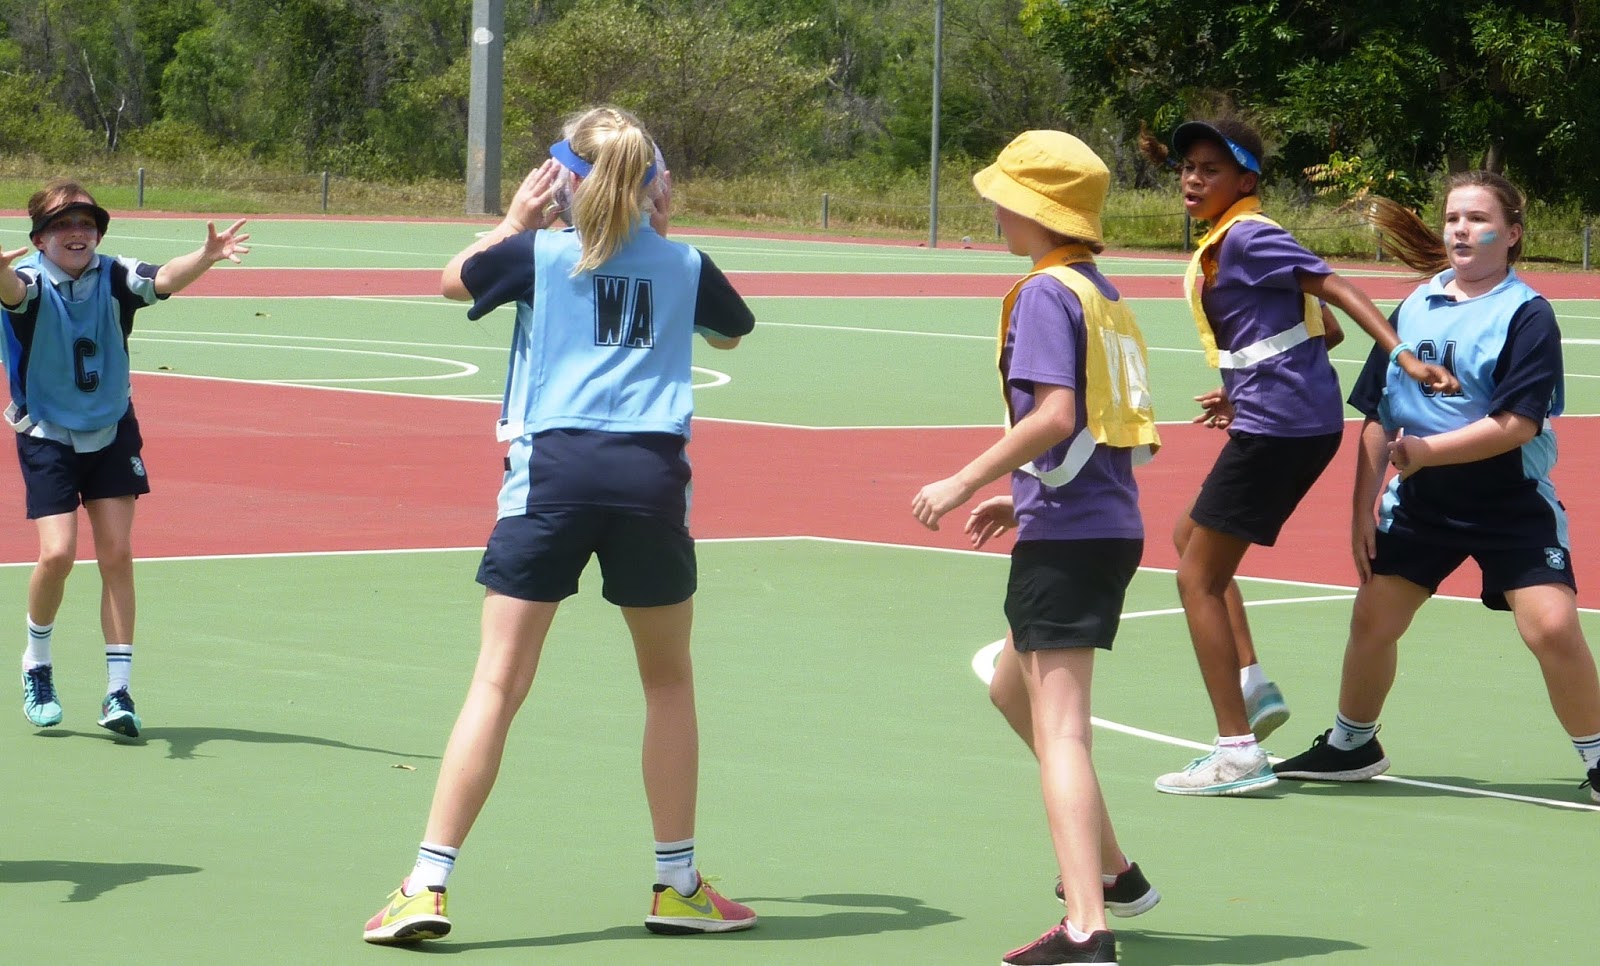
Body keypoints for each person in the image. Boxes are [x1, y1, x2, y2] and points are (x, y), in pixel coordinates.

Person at [362, 105, 758, 946]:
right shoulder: (686, 263)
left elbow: (450, 279)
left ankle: (427, 882)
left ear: (564, 181)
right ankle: (676, 881)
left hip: (553, 475)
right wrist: (665, 229)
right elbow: (730, 335)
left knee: (498, 683)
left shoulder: (538, 255)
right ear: (654, 183)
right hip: (650, 479)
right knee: (668, 682)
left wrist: (511, 218)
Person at [1140, 119, 1459, 797]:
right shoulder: (1232, 241)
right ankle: (1251, 686)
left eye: (1210, 169)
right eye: (1187, 168)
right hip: (1283, 418)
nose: (1192, 179)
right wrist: (1244, 385)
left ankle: (1236, 752)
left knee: (1194, 579)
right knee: (1187, 537)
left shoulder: (1251, 235)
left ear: (1246, 180)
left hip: (1280, 429)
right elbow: (1325, 327)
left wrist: (1402, 355)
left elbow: (1338, 293)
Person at [913, 130, 1161, 966]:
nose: (991, 205)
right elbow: (1096, 431)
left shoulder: (1045, 295)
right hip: (1092, 521)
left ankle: (1088, 928)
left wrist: (957, 482)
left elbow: (1056, 416)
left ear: (1033, 208)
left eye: (1002, 193)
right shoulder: (1099, 290)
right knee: (1010, 691)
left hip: (1075, 537)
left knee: (1062, 735)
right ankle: (1117, 872)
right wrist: (1020, 501)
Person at [1273, 173, 1600, 804]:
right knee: (1373, 616)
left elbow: (1516, 424)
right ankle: (1352, 744)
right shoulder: (1415, 307)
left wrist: (1425, 452)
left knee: (1553, 628)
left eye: (1478, 218)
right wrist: (1362, 506)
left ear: (1512, 235)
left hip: (1509, 500)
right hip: (1422, 503)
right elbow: (1376, 412)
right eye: (1452, 217)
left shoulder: (1527, 314)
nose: (1460, 228)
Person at [1, 178, 249, 739]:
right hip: (47, 432)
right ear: (40, 238)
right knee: (59, 554)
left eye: (86, 223)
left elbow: (162, 280)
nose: (77, 232)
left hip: (111, 429)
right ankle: (36, 662)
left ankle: (119, 691)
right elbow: (10, 292)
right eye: (63, 224)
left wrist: (206, 257)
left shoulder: (114, 275)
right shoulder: (31, 284)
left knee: (117, 553)